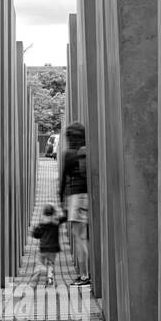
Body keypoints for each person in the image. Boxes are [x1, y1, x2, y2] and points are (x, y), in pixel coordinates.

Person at [57, 123, 91, 287]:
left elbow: (63, 181)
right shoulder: (88, 152)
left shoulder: (69, 155)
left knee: (79, 237)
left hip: (76, 197)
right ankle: (86, 274)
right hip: (89, 196)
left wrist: (62, 202)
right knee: (85, 237)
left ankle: (84, 276)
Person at [30, 204, 66, 287]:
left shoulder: (41, 224)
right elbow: (64, 218)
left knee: (39, 263)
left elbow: (36, 235)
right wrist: (59, 212)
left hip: (43, 248)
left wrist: (33, 230)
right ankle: (50, 277)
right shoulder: (56, 222)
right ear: (53, 213)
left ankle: (34, 281)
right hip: (53, 249)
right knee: (51, 263)